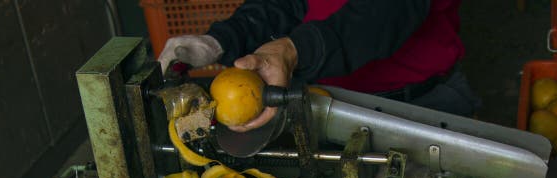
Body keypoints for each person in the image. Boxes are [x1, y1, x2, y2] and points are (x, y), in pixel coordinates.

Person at [158, 0, 480, 132]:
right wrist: (223, 40)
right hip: (324, 102)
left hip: (421, 106)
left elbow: (385, 13)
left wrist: (292, 50)